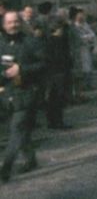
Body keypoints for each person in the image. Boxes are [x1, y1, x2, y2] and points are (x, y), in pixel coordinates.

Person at [0, 10, 46, 183]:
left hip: (26, 93)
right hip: (6, 94)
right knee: (22, 130)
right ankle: (31, 159)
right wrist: (4, 75)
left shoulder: (31, 42)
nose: (13, 25)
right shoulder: (0, 43)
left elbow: (44, 64)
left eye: (16, 21)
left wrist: (22, 69)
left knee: (17, 129)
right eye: (10, 22)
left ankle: (6, 168)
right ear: (4, 25)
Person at [68, 6, 95, 104]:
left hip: (84, 50)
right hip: (77, 51)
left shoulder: (85, 25)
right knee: (78, 73)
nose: (81, 17)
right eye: (79, 15)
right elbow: (78, 38)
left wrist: (87, 38)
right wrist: (86, 38)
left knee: (85, 70)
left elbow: (92, 35)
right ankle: (76, 94)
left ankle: (81, 92)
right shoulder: (73, 26)